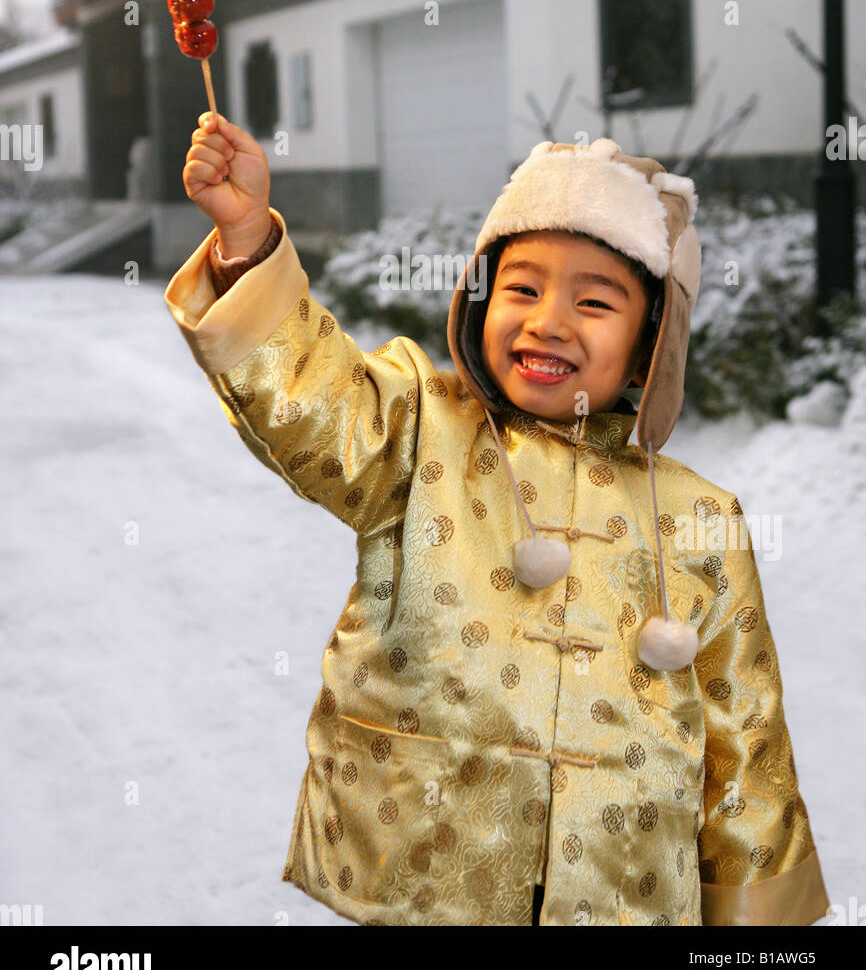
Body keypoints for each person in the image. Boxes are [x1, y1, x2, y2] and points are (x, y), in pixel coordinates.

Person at [164, 112, 831, 928]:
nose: (548, 320)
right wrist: (244, 242)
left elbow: (747, 744)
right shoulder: (416, 431)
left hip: (625, 896)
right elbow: (313, 403)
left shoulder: (701, 519)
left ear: (652, 338)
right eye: (521, 288)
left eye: (596, 301)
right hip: (425, 877)